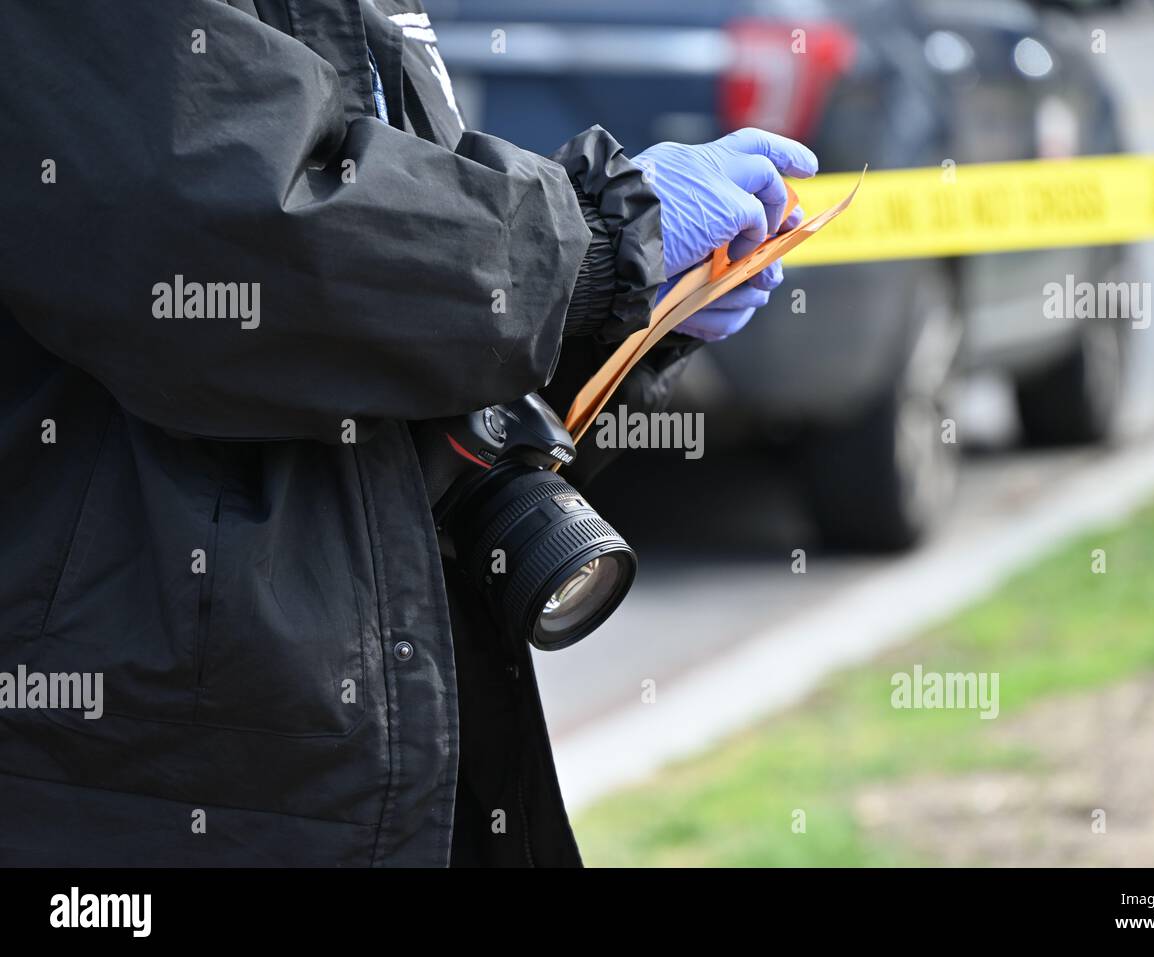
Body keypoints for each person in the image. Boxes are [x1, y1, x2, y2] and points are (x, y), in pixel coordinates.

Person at [0, 0, 817, 866]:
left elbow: (401, 297)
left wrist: (637, 302)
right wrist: (595, 239)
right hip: (155, 759)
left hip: (401, 720)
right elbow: (223, 227)